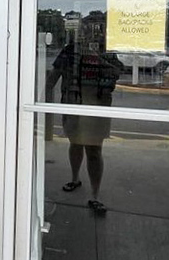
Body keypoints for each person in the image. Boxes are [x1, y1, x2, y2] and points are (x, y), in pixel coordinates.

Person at [45, 29, 121, 215]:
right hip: (72, 106)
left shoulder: (106, 52)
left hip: (97, 107)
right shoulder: (69, 51)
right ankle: (75, 178)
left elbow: (117, 72)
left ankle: (95, 196)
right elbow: (52, 78)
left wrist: (97, 59)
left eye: (95, 33)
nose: (90, 37)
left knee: (94, 150)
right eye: (87, 32)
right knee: (75, 143)